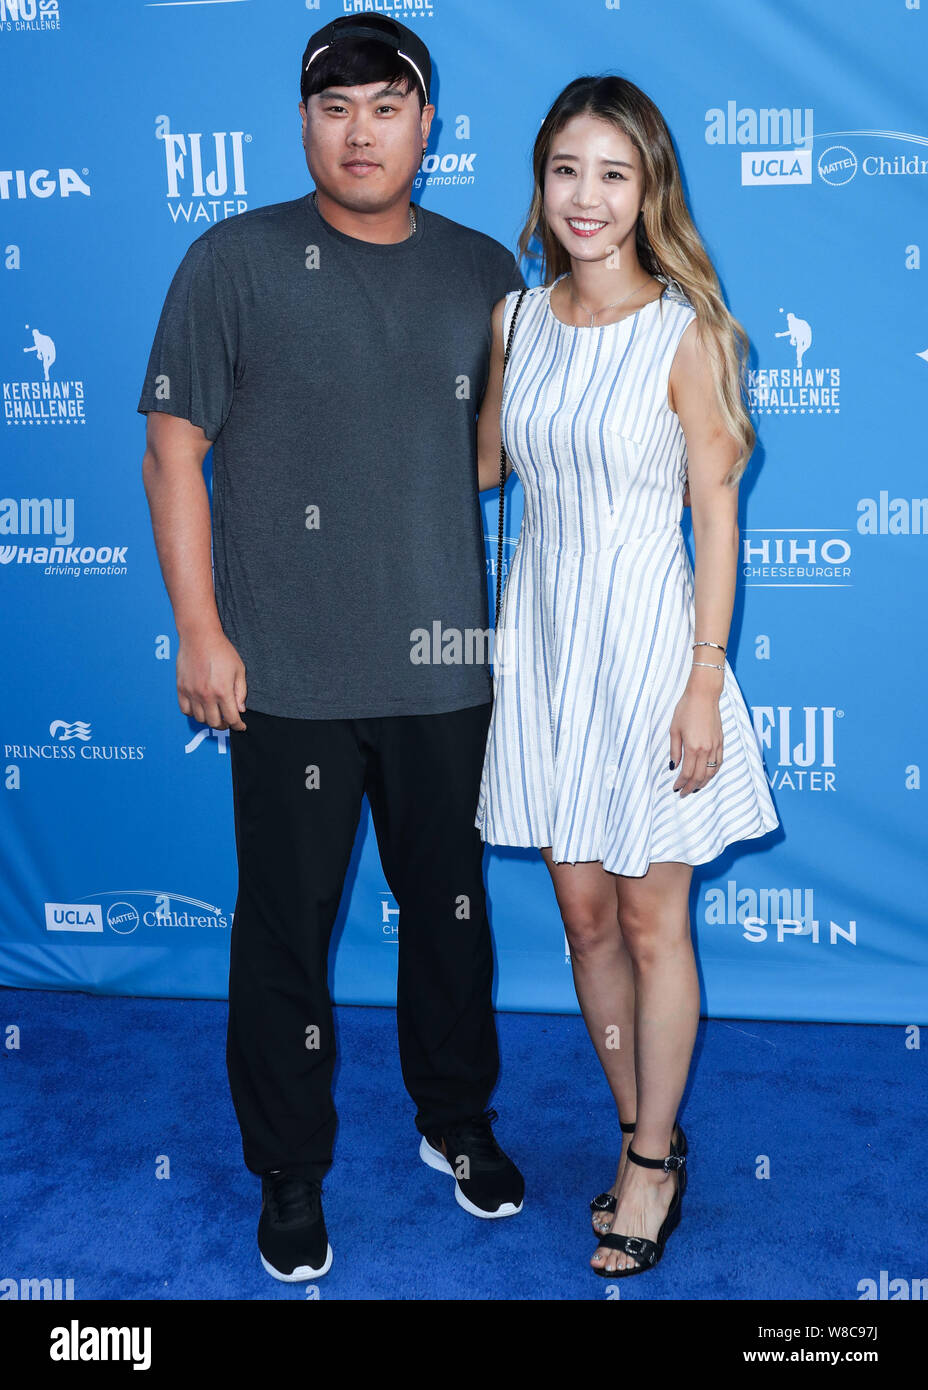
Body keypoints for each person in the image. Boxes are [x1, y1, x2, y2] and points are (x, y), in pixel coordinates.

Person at [136, 14, 526, 1284]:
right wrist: (201, 628)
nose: (359, 131)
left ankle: (454, 1121)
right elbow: (172, 449)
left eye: (385, 106)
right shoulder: (232, 262)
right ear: (302, 123)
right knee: (286, 930)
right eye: (334, 107)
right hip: (284, 674)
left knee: (451, 916)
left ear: (429, 124)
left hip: (442, 667)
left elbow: (486, 459)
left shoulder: (484, 274)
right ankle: (290, 1173)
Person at [474, 74, 780, 1278]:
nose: (586, 197)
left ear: (648, 187)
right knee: (584, 916)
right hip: (545, 654)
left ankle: (650, 1158)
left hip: (654, 656)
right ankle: (629, 1123)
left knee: (654, 919)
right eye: (565, 171)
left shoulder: (687, 336)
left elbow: (718, 518)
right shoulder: (513, 319)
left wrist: (702, 682)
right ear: (540, 185)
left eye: (613, 172)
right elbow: (488, 465)